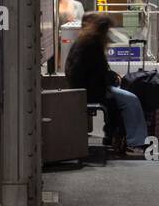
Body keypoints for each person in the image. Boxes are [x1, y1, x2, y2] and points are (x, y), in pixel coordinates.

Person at [65, 14, 152, 154]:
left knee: (120, 98)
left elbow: (95, 70)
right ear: (102, 30)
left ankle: (111, 135)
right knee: (131, 100)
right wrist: (113, 79)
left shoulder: (85, 42)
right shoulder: (92, 45)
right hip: (91, 90)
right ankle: (136, 141)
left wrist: (111, 77)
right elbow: (99, 73)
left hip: (84, 87)